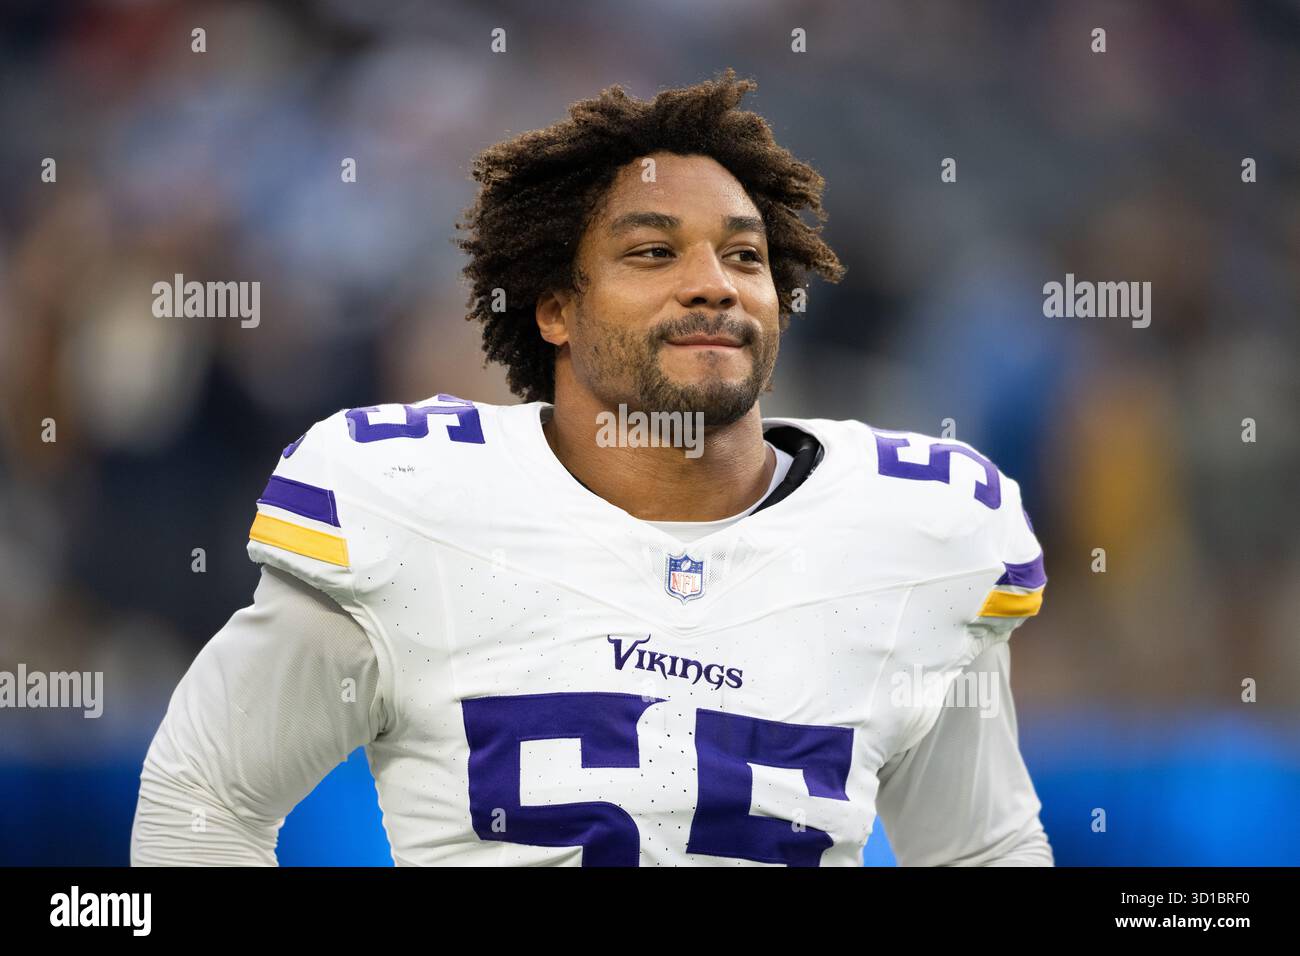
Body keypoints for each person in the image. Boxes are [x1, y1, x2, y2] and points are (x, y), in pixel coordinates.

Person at [132, 69, 1051, 866]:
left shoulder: (914, 530)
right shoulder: (410, 504)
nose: (713, 283)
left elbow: (979, 850)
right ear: (555, 310)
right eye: (654, 253)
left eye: (745, 256)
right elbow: (203, 804)